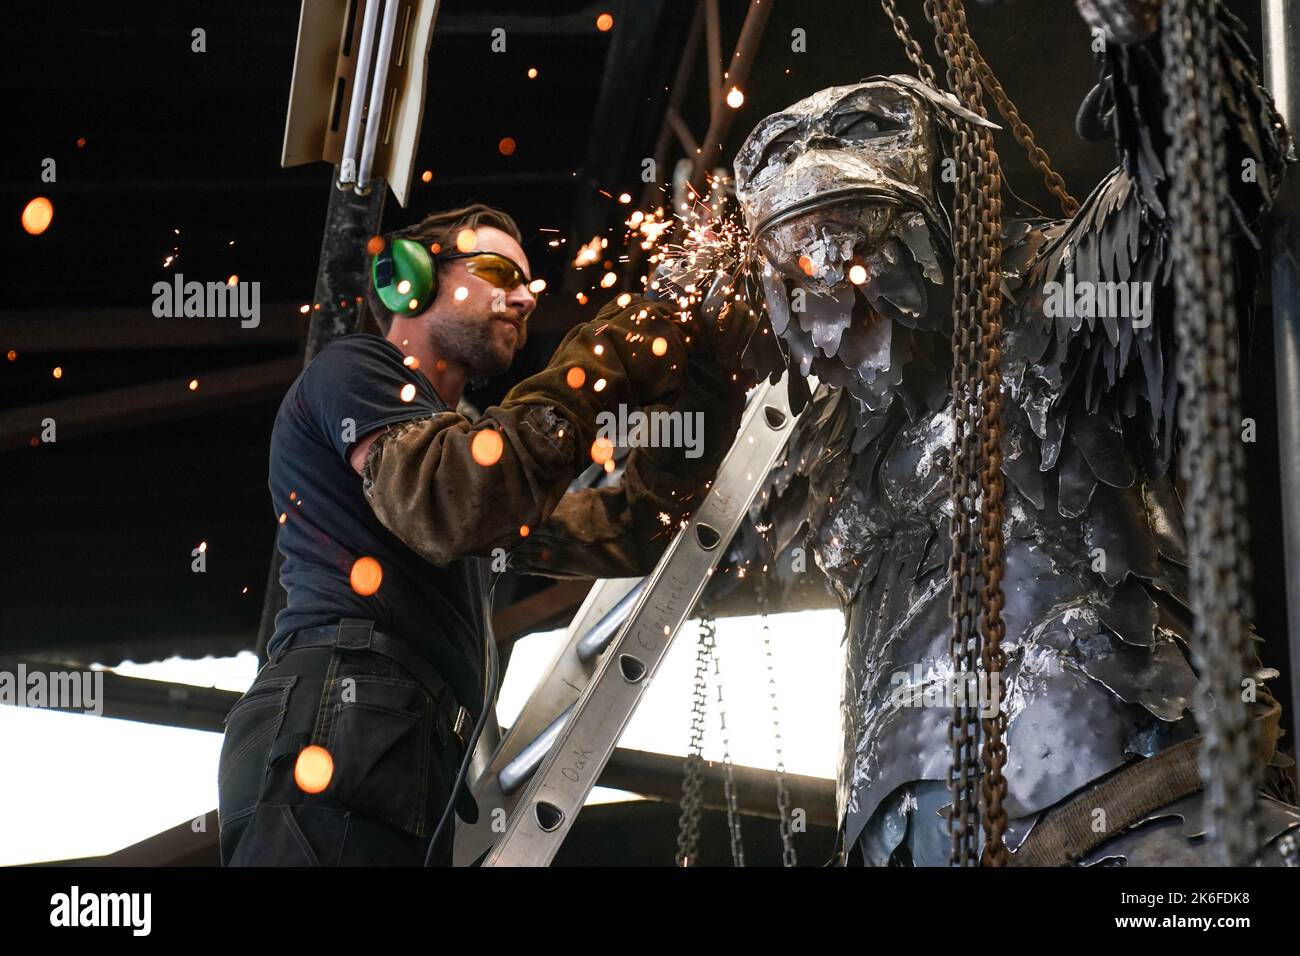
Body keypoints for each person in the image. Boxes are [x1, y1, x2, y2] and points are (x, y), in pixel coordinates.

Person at [216, 203, 755, 865]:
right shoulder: (354, 372)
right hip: (344, 719)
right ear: (408, 280)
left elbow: (630, 532)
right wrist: (608, 354)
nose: (526, 298)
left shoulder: (471, 466)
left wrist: (704, 384)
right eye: (500, 271)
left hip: (406, 749)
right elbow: (454, 501)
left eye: (529, 284)